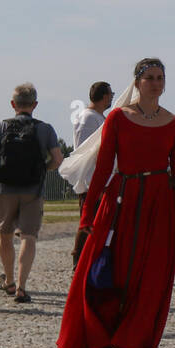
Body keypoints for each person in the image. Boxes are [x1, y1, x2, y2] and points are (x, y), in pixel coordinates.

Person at [57, 59, 175, 348]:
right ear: (137, 82)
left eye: (160, 78)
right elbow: (103, 167)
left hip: (160, 205)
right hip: (121, 199)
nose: (156, 83)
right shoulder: (118, 117)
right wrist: (88, 215)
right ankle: (97, 339)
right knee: (107, 271)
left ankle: (138, 346)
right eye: (150, 78)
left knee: (151, 276)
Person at [0, 83, 62, 305]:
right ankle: (22, 287)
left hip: (4, 189)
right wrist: (44, 169)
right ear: (35, 104)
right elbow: (58, 160)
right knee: (28, 237)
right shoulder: (45, 129)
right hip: (33, 189)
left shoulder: (1, 128)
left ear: (13, 104)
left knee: (5, 236)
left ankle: (9, 281)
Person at [70, 81, 113, 267]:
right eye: (111, 94)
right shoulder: (88, 118)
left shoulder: (97, 117)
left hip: (100, 179)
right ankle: (78, 259)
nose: (112, 97)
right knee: (89, 221)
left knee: (99, 221)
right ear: (104, 96)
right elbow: (84, 150)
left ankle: (91, 258)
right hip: (91, 180)